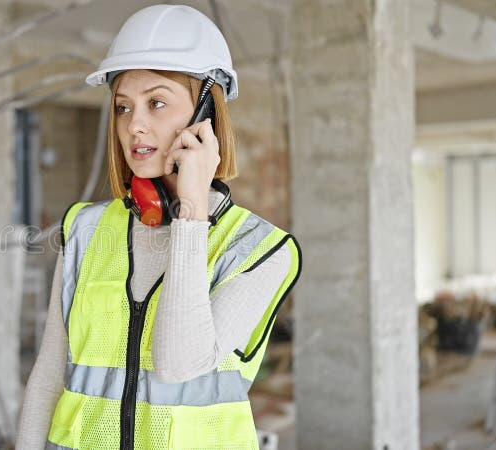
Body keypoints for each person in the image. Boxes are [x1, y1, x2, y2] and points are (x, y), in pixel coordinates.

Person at [17, 4, 301, 449]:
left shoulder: (260, 249)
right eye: (123, 107)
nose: (135, 126)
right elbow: (50, 373)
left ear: (206, 113)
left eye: (158, 102)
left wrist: (190, 213)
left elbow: (178, 363)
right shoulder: (86, 229)